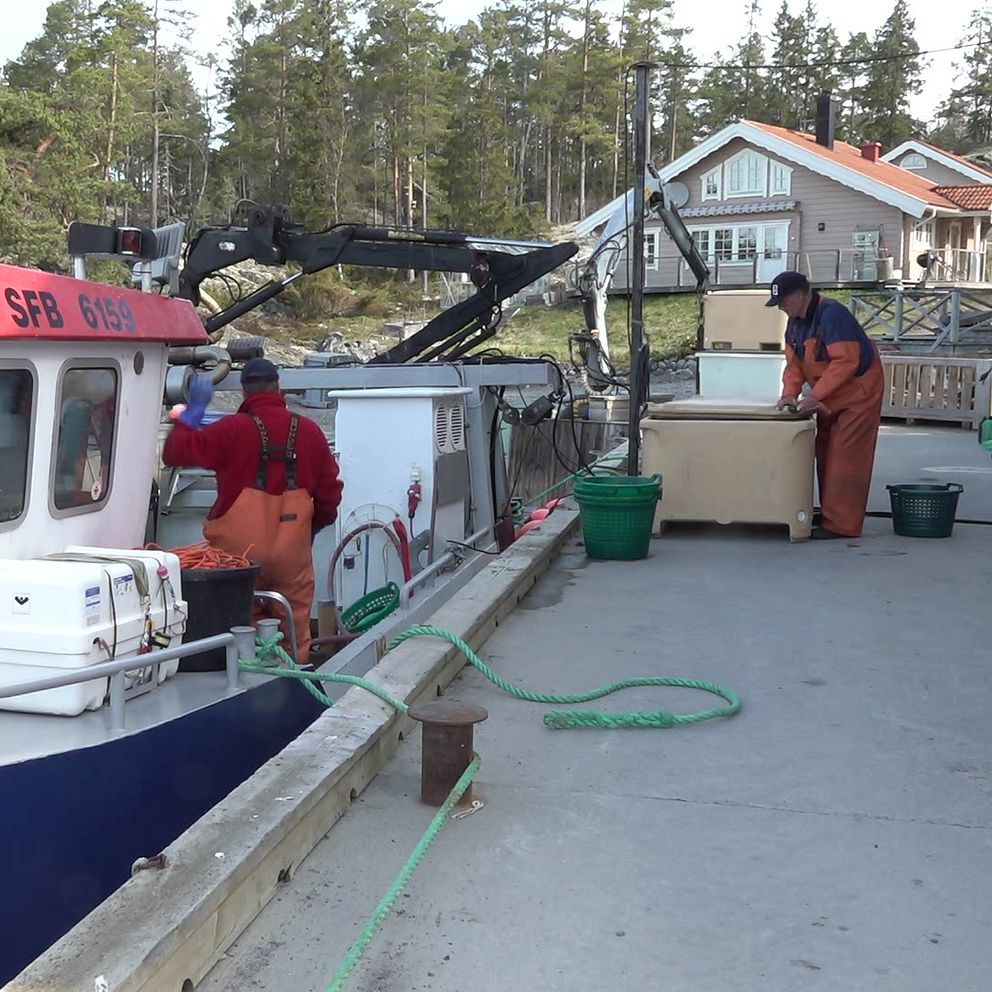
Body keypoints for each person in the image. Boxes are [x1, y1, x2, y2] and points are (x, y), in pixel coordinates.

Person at [163, 358, 343, 660]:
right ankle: (292, 682)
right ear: (279, 389)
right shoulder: (311, 432)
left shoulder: (230, 429)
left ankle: (239, 680)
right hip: (292, 554)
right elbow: (330, 496)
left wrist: (194, 410)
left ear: (245, 392)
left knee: (236, 627)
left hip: (237, 556)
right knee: (293, 630)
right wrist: (307, 531)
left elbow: (174, 452)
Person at [766, 271, 884, 540]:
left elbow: (846, 362)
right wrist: (789, 394)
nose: (782, 308)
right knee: (825, 451)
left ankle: (842, 524)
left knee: (847, 457)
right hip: (829, 395)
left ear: (801, 294)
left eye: (784, 302)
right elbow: (794, 366)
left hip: (858, 394)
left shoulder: (833, 314)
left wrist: (814, 395)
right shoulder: (794, 324)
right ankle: (831, 511)